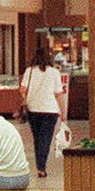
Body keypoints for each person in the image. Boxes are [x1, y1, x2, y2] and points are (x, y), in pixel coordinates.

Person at [19, 44, 68, 179]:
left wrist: (27, 98)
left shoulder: (29, 71)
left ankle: (39, 165)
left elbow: (22, 90)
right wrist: (63, 112)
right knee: (45, 140)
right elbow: (59, 94)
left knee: (37, 139)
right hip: (50, 110)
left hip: (33, 109)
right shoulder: (54, 72)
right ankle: (41, 167)